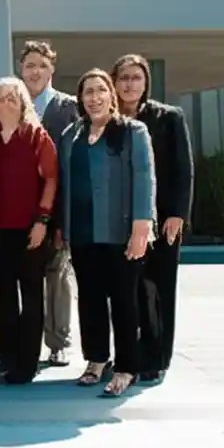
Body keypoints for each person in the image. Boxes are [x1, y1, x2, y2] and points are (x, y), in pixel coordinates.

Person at [55, 68, 155, 397]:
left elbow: (144, 176)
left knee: (124, 301)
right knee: (91, 300)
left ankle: (126, 367)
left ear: (111, 95)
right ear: (80, 99)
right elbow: (66, 185)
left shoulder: (132, 131)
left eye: (100, 90)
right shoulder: (71, 134)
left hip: (121, 232)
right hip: (83, 233)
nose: (94, 97)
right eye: (88, 92)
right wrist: (63, 228)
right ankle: (96, 359)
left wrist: (143, 224)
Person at [112, 54, 193, 385]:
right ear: (114, 83)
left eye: (136, 77)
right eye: (124, 78)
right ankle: (129, 355)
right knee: (127, 292)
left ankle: (157, 357)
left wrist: (177, 214)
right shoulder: (109, 121)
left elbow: (183, 169)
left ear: (145, 82)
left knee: (157, 290)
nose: (129, 84)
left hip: (162, 221)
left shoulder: (169, 117)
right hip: (120, 221)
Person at [0, 77, 58, 385]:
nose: (6, 103)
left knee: (31, 297)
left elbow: (51, 180)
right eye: (1, 98)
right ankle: (8, 359)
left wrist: (42, 221)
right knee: (4, 297)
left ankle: (26, 366)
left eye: (13, 98)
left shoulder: (37, 136)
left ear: (24, 103)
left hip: (30, 230)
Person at [18, 40, 79, 367]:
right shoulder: (10, 105)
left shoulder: (68, 107)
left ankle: (58, 342)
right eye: (29, 66)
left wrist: (62, 219)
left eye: (41, 65)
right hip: (19, 209)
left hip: (56, 208)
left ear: (52, 68)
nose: (35, 71)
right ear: (21, 70)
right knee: (25, 279)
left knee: (56, 275)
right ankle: (21, 341)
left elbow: (69, 166)